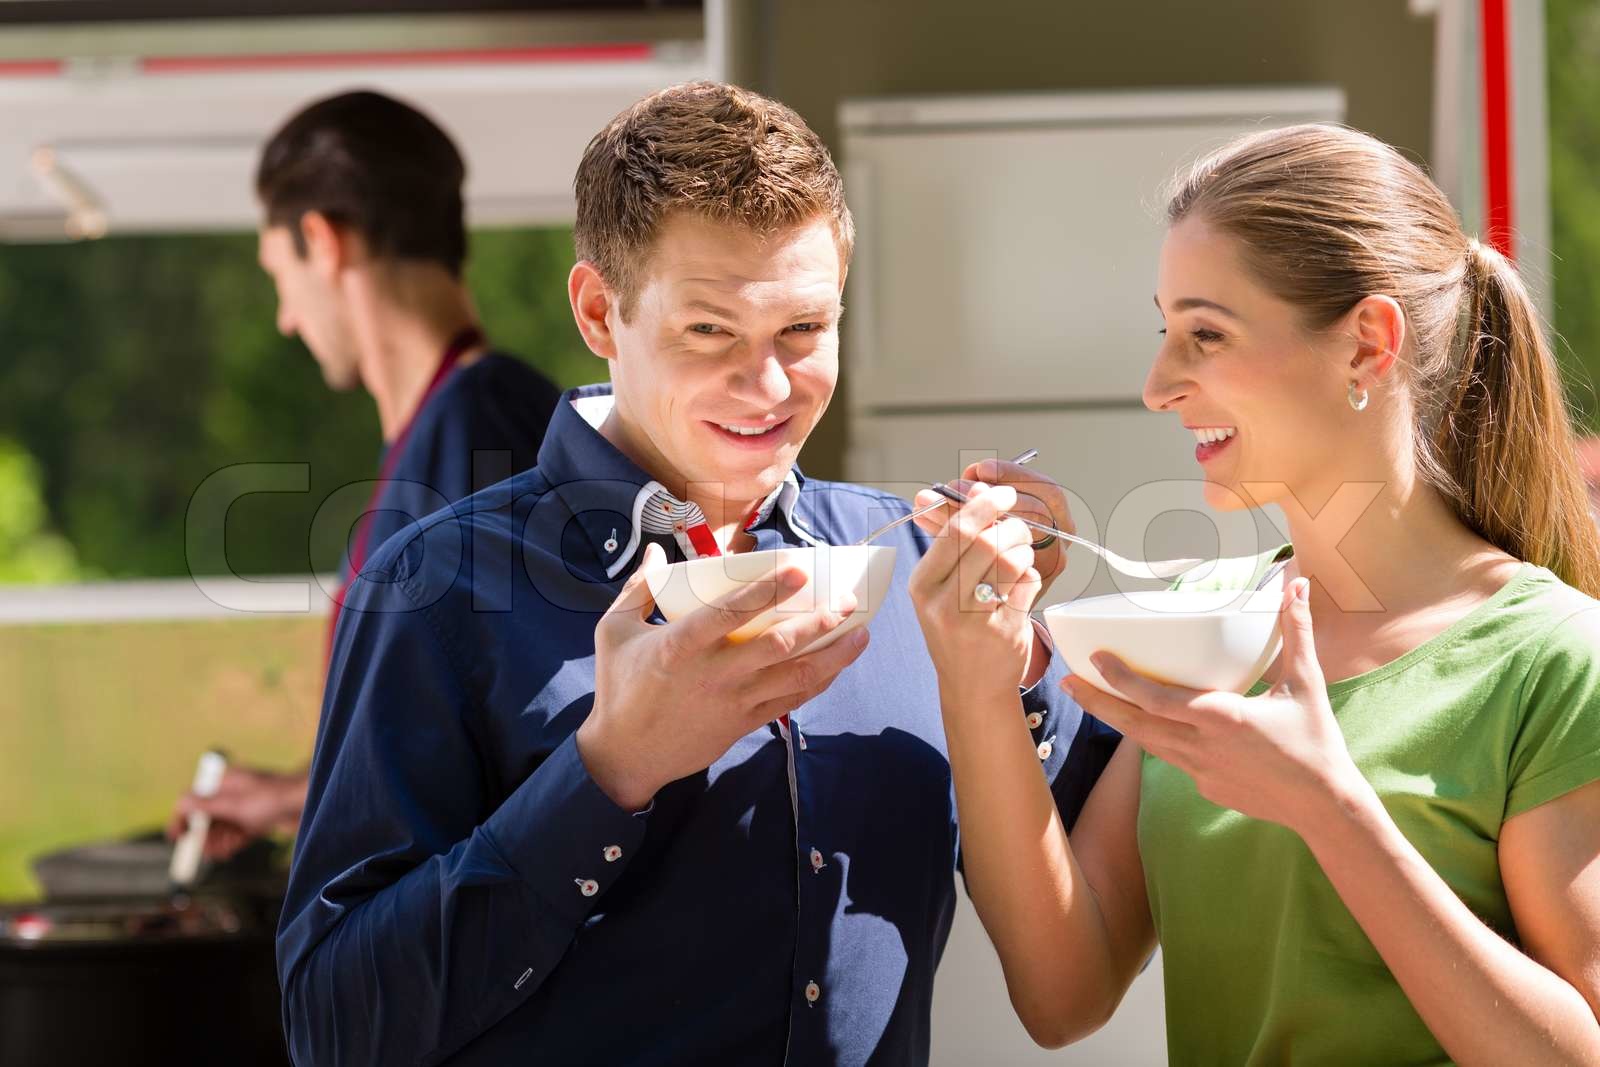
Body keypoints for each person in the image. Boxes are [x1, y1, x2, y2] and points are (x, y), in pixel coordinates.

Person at [275, 81, 1118, 1066]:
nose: (766, 388)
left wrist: (1021, 673)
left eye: (802, 331)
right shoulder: (438, 583)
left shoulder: (913, 559)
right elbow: (331, 1028)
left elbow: (1072, 944)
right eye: (709, 332)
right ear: (599, 311)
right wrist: (610, 766)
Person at [913, 123, 1600, 1064]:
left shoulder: (1556, 657)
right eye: (1167, 333)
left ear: (1367, 344)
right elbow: (1060, 992)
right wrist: (977, 677)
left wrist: (1332, 808)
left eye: (1207, 334)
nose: (1159, 386)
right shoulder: (1206, 619)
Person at [166, 90, 562, 862]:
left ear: (324, 240)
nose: (285, 316)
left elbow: (514, 751)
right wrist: (294, 793)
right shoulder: (445, 425)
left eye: (279, 273)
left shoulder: (480, 422)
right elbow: (434, 728)